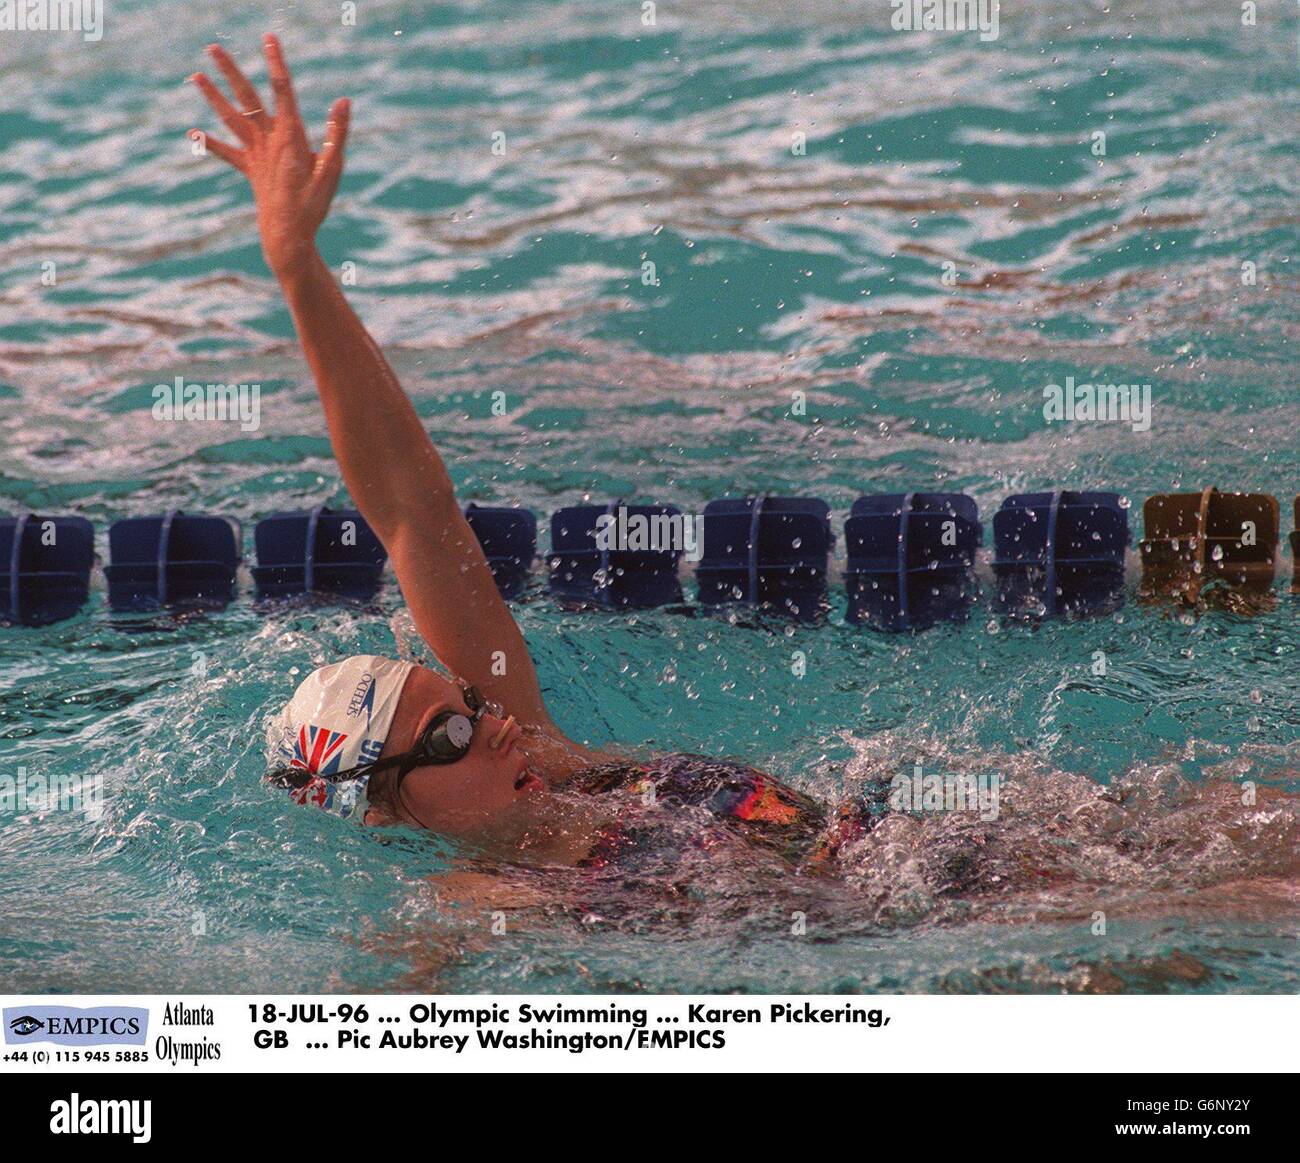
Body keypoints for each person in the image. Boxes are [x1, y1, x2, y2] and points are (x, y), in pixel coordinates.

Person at [190, 35, 852, 868]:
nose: (495, 723)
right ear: (383, 808)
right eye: (452, 732)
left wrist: (297, 265)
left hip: (931, 851)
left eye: (466, 698)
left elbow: (410, 507)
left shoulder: (544, 759)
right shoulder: (496, 905)